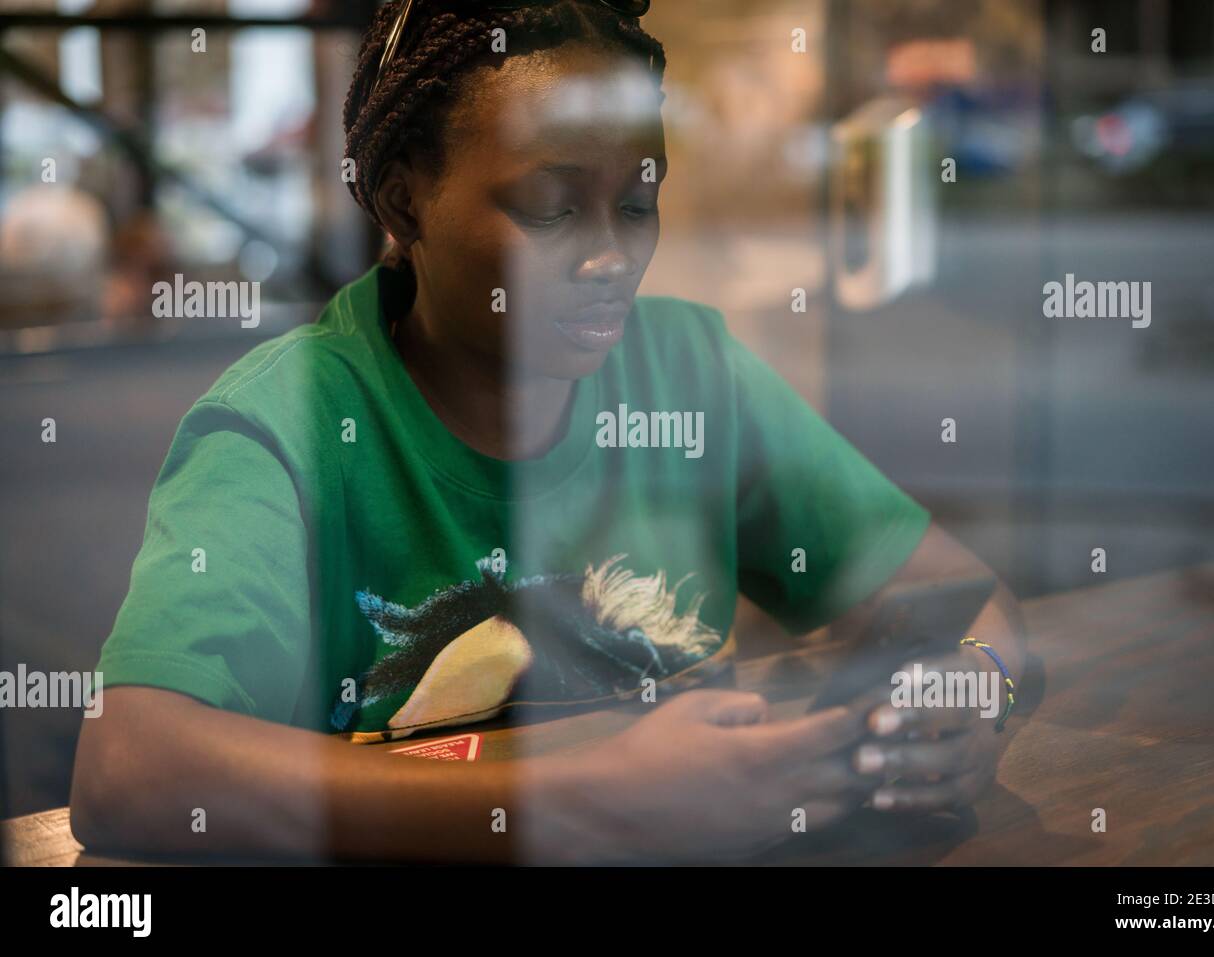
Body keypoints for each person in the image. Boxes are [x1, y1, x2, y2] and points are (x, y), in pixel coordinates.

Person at [70, 0, 1026, 865]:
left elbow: (969, 606)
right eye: (550, 208)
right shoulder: (291, 421)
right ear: (405, 202)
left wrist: (969, 693)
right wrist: (580, 807)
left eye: (639, 203)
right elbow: (128, 768)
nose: (610, 254)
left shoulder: (691, 372)